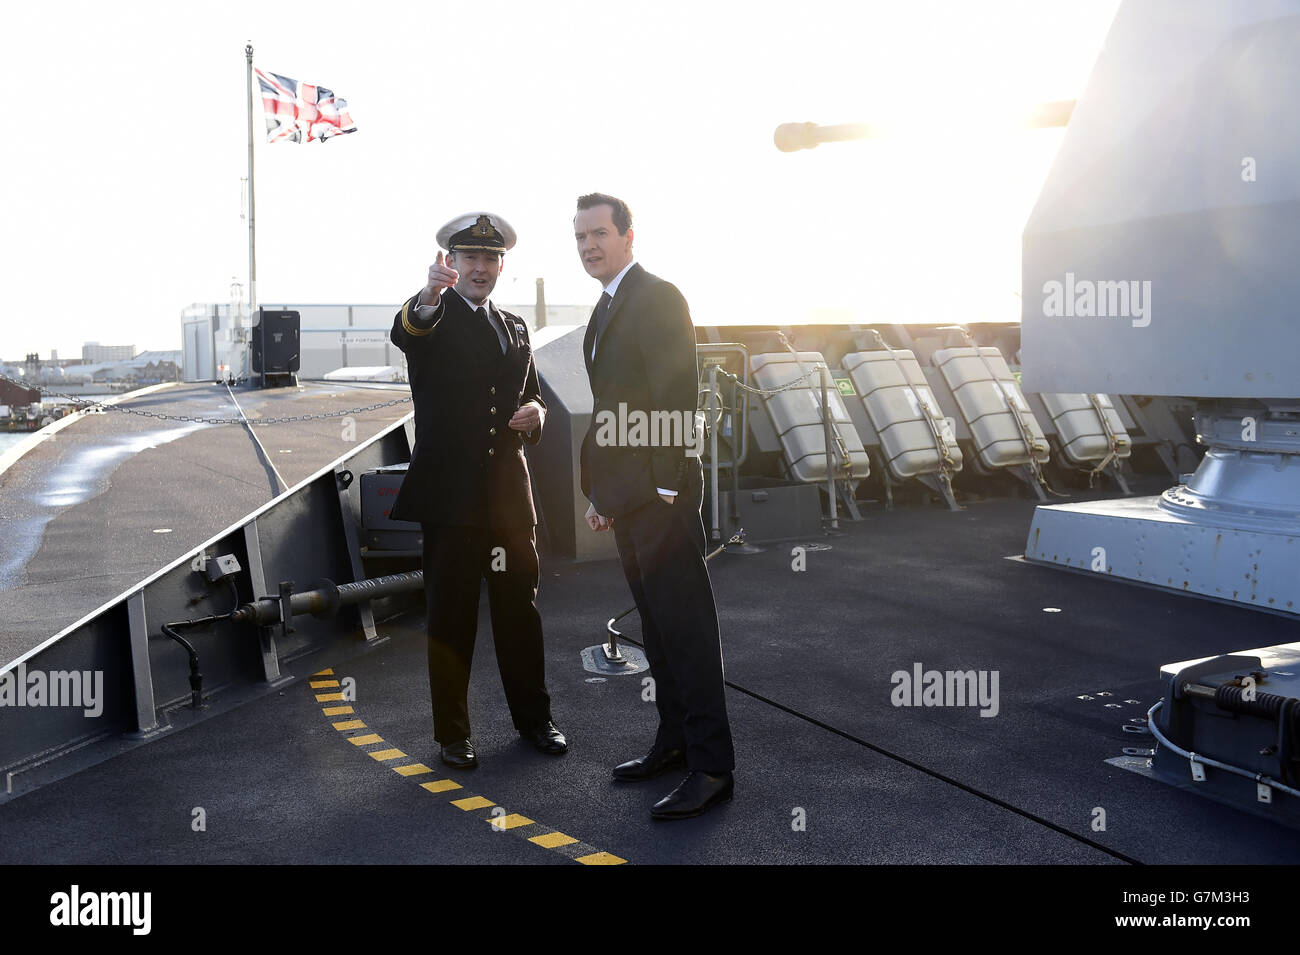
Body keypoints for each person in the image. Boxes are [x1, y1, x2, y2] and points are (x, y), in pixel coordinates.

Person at [574, 192, 735, 820]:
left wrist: (667, 486)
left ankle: (713, 766)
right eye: (581, 236)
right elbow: (614, 409)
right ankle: (673, 744)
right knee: (657, 630)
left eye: (599, 234)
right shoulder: (607, 304)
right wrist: (603, 493)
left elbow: (676, 392)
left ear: (628, 236)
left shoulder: (657, 296)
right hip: (630, 494)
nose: (589, 245)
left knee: (687, 628)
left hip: (661, 494)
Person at [389, 211, 566, 770]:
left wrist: (536, 412)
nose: (481, 268)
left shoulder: (513, 325)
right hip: (452, 498)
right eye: (471, 258)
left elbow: (532, 393)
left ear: (501, 265)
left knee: (521, 612)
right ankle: (453, 734)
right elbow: (407, 331)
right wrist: (425, 297)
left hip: (509, 496)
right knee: (452, 616)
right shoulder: (433, 315)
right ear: (452, 264)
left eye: (490, 259)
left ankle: (535, 719)